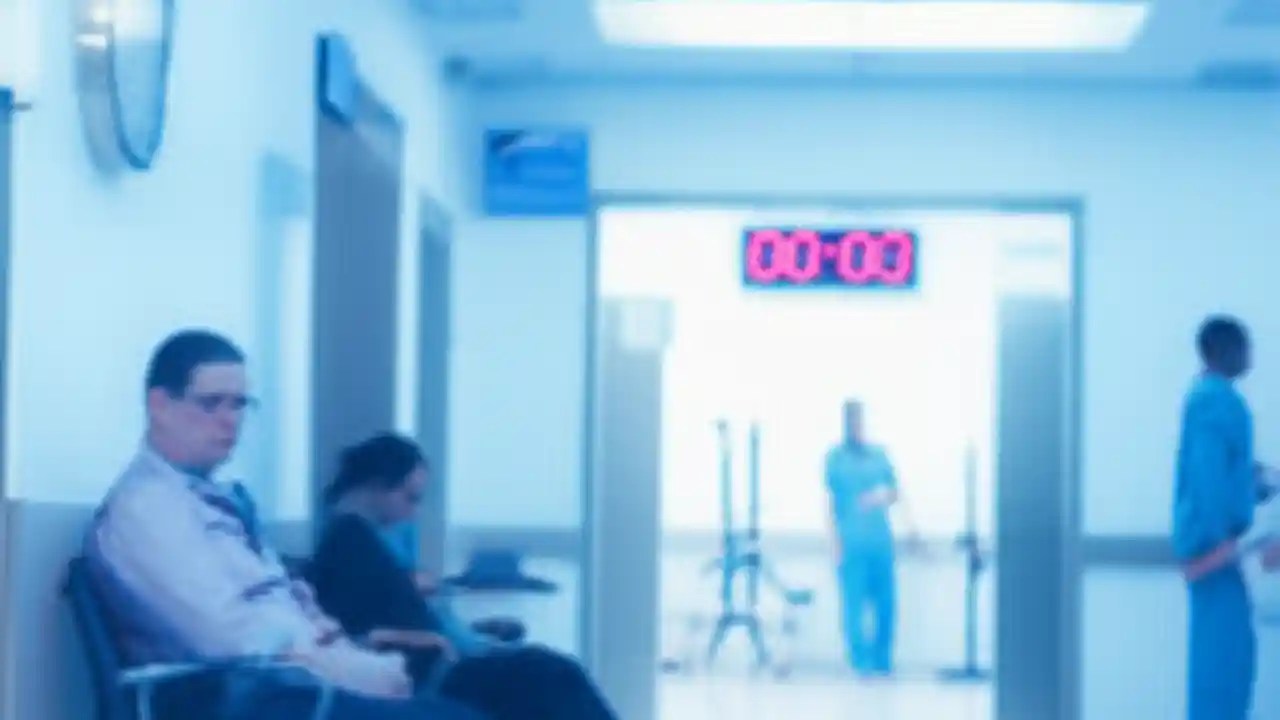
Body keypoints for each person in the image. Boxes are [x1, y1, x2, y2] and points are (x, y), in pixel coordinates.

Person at [84, 329, 485, 720]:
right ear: (159, 405)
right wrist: (341, 663)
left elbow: (279, 607)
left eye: (239, 404)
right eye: (211, 404)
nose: (230, 421)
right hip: (253, 696)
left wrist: (341, 648)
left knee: (473, 701)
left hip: (285, 683)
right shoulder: (146, 508)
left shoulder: (210, 500)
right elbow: (227, 637)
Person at [308, 433, 617, 720]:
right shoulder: (349, 541)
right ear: (377, 485)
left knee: (551, 675)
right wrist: (436, 636)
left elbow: (391, 612)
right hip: (437, 670)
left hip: (443, 659)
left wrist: (467, 630)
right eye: (410, 498)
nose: (413, 512)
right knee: (553, 674)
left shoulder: (362, 539)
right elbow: (355, 630)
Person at [1171, 316, 1280, 720]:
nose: (1251, 357)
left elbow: (1226, 472)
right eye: (1246, 348)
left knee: (1229, 668)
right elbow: (1209, 478)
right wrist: (1222, 547)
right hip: (1215, 555)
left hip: (1218, 556)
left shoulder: (1206, 398)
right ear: (1226, 350)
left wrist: (1264, 480)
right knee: (1223, 676)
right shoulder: (1218, 400)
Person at [825, 400, 898, 677]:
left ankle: (882, 660)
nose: (854, 424)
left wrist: (881, 496)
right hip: (851, 543)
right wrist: (835, 543)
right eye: (850, 419)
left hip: (880, 543)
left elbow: (894, 492)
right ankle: (861, 662)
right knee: (853, 606)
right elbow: (830, 503)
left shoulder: (879, 455)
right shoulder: (835, 458)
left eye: (858, 419)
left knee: (886, 605)